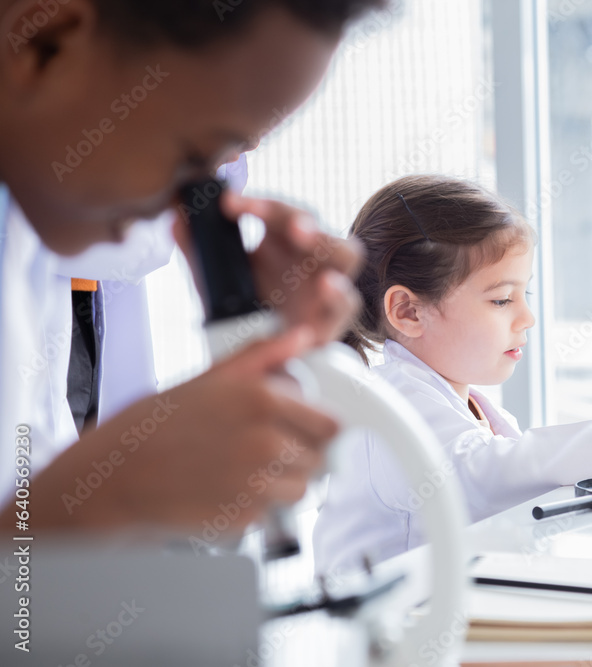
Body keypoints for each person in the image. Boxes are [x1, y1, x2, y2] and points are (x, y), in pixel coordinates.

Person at [0, 0, 386, 536]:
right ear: (47, 44)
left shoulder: (26, 227)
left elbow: (19, 573)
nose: (202, 200)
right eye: (193, 156)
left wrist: (252, 333)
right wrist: (116, 489)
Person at [313, 174, 592, 572]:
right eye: (501, 300)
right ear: (409, 312)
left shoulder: (461, 401)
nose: (527, 317)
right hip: (393, 622)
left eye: (524, 294)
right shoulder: (393, 405)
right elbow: (493, 475)